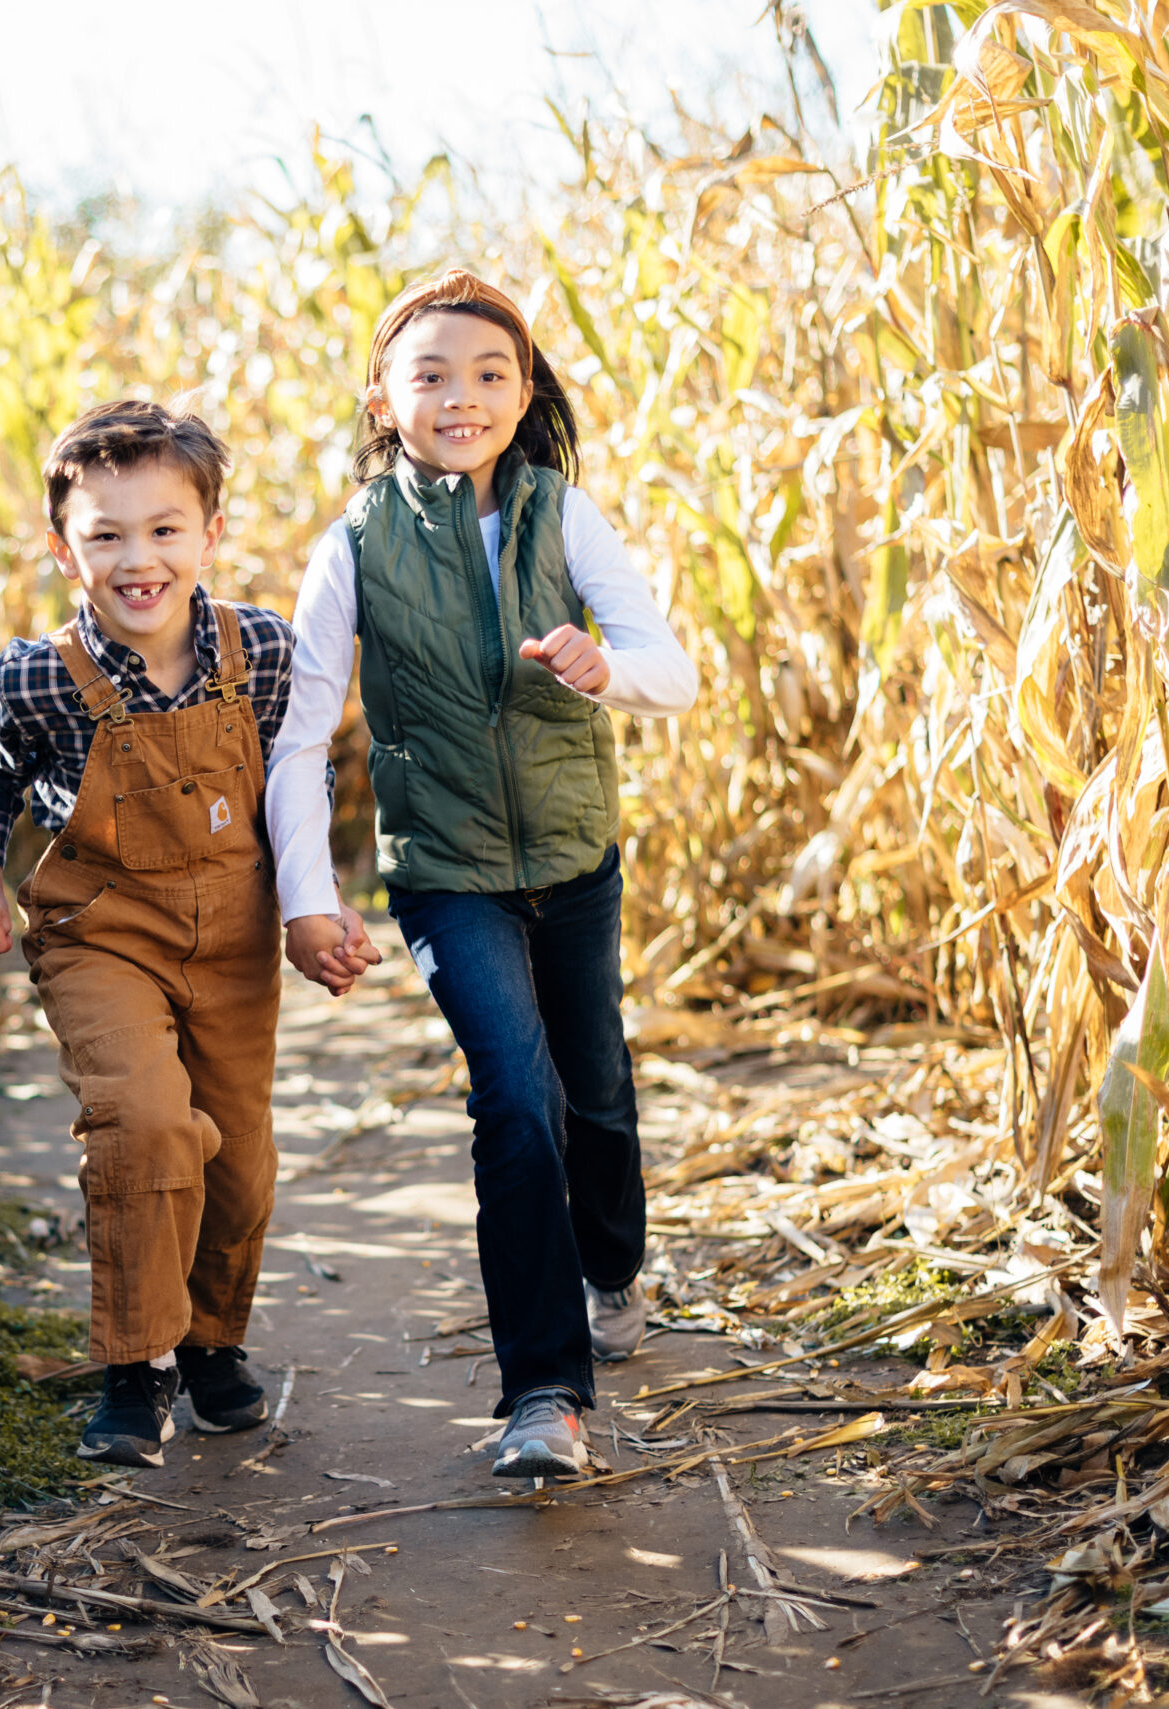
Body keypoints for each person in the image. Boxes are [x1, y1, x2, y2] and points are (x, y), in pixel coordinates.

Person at [265, 269, 699, 1479]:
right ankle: (545, 1395)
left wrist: (604, 667)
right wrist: (308, 896)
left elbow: (674, 666)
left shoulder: (565, 515)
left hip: (574, 856)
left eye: (489, 373)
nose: (462, 395)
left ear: (523, 391)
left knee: (593, 1091)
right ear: (382, 397)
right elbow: (303, 737)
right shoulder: (352, 543)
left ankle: (613, 1265)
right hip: (445, 870)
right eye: (431, 374)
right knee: (514, 1095)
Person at [0, 399, 312, 1467]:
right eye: (105, 534)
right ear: (64, 549)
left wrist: (312, 905)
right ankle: (132, 1363)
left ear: (209, 532)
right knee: (146, 1126)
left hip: (235, 934)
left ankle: (211, 1342)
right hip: (102, 933)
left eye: (163, 528)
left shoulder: (265, 650)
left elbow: (300, 780)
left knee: (236, 1156)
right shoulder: (38, 674)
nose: (136, 558)